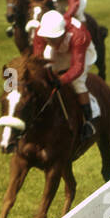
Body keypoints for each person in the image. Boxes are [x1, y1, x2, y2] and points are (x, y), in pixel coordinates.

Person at [33, 9, 98, 141]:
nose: (51, 41)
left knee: (77, 82)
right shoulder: (40, 32)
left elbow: (77, 67)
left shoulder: (78, 35)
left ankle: (88, 122)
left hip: (80, 51)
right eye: (48, 39)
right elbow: (38, 59)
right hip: (63, 47)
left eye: (54, 39)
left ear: (62, 33)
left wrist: (61, 80)